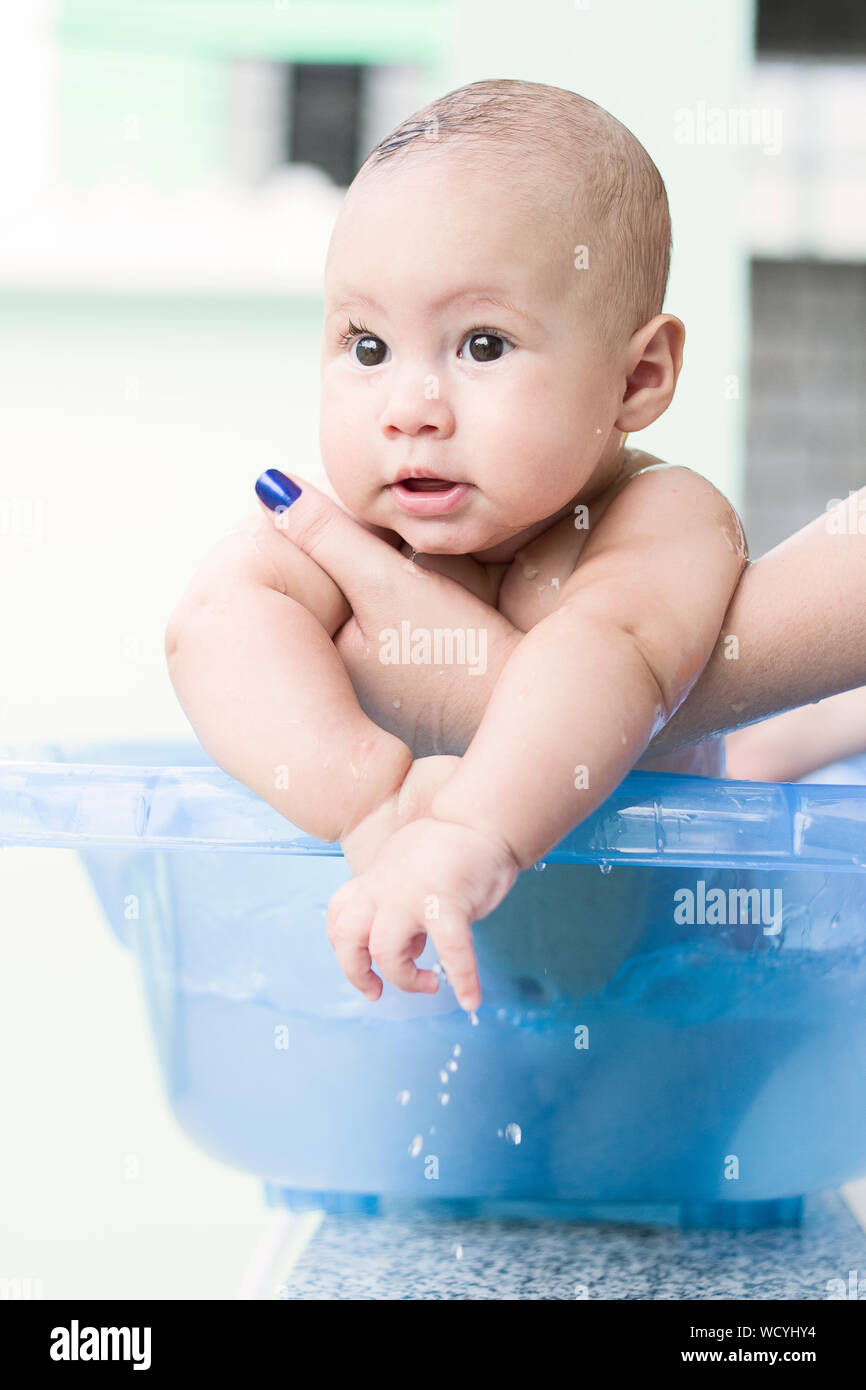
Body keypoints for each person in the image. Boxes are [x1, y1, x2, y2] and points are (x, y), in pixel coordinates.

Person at [165, 78, 751, 1011]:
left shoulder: (662, 515)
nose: (408, 411)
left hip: (658, 992)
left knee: (626, 1147)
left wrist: (471, 833)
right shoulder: (357, 535)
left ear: (638, 377)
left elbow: (610, 655)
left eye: (482, 346)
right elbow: (213, 622)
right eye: (367, 347)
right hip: (428, 988)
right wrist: (366, 798)